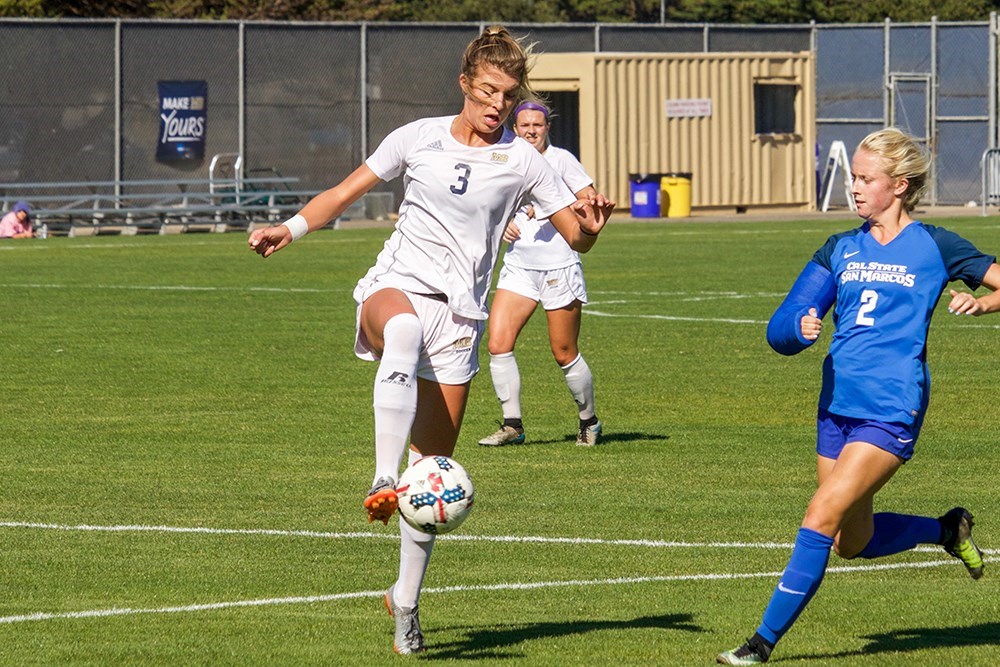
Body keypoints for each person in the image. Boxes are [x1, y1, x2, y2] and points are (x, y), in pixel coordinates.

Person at [249, 26, 614, 656]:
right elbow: (344, 191)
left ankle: (406, 605)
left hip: (462, 323)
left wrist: (592, 227)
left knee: (434, 482)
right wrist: (291, 227)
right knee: (403, 330)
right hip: (397, 286)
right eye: (489, 91)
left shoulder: (525, 160)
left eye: (509, 94)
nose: (499, 105)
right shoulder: (416, 137)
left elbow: (575, 238)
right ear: (466, 84)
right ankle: (380, 476)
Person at [718, 127, 996, 665]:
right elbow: (780, 325)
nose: (855, 187)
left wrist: (983, 305)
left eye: (866, 178)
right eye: (854, 177)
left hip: (892, 408)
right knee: (851, 540)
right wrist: (796, 329)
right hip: (836, 406)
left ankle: (759, 645)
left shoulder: (937, 245)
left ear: (900, 184)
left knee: (820, 513)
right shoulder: (840, 246)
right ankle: (946, 528)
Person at [477, 100, 602, 447]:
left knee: (564, 352)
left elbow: (589, 202)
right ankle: (512, 426)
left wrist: (554, 205)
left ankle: (589, 421)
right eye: (524, 125)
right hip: (519, 265)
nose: (531, 130)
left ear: (547, 128)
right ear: (514, 128)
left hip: (558, 266)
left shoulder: (561, 160)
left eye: (538, 125)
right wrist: (504, 225)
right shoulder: (509, 158)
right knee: (498, 343)